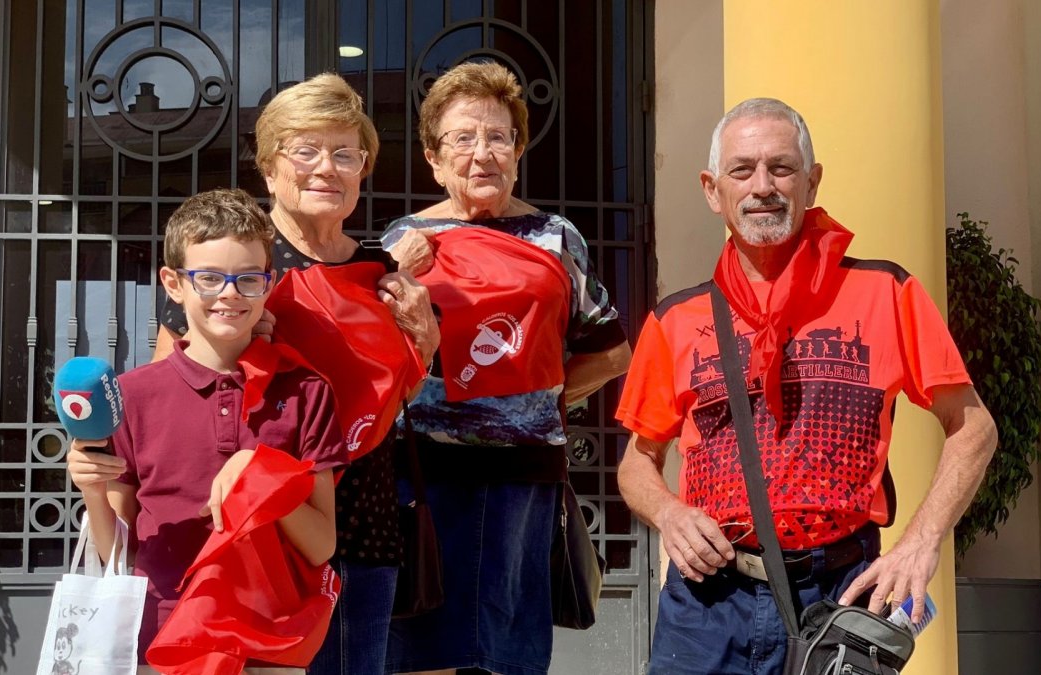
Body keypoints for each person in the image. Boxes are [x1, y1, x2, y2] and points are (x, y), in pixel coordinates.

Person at [615, 98, 999, 674]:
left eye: (782, 168)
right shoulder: (676, 319)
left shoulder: (884, 293)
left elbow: (974, 428)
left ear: (812, 182)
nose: (762, 186)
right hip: (707, 605)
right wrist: (669, 514)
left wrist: (922, 543)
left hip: (839, 592)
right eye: (742, 170)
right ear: (711, 189)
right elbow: (636, 463)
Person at [151, 74, 439, 675]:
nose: (325, 168)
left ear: (364, 168)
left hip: (361, 523)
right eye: (304, 150)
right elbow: (169, 393)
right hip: (254, 530)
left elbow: (386, 398)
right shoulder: (235, 262)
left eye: (344, 153)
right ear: (269, 168)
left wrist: (426, 344)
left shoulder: (378, 268)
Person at [381, 61, 632, 675]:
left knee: (507, 655)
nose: (481, 154)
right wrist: (391, 268)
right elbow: (372, 358)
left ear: (519, 150)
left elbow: (611, 350)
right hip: (423, 478)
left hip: (522, 480)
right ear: (432, 157)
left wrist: (535, 396)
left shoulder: (555, 237)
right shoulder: (406, 240)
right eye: (462, 139)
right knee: (420, 653)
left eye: (497, 137)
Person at [67, 188, 346, 674]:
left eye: (248, 280)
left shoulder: (306, 391)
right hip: (166, 638)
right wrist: (92, 487)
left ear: (269, 282)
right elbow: (114, 549)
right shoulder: (132, 396)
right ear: (173, 284)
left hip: (271, 641)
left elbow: (322, 544)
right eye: (210, 279)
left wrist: (258, 475)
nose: (230, 295)